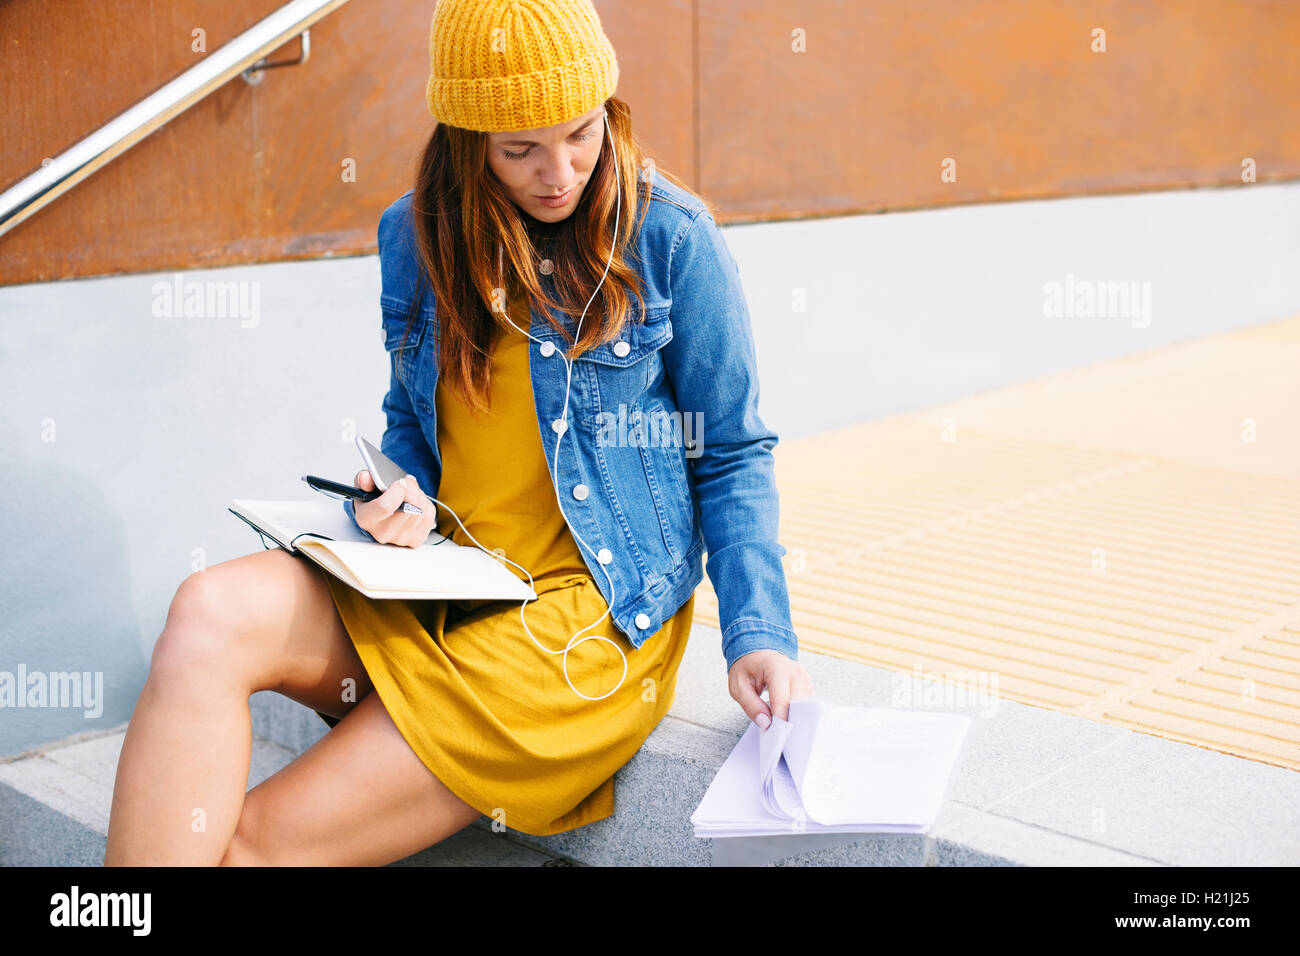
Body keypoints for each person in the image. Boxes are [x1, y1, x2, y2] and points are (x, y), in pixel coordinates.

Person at [104, 0, 812, 867]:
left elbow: (732, 448)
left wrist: (760, 629)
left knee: (254, 844)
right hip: (441, 577)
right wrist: (397, 490)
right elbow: (412, 423)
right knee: (206, 610)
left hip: (582, 622)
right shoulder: (414, 235)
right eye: (520, 149)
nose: (561, 172)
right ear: (467, 139)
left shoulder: (668, 237)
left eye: (581, 133)